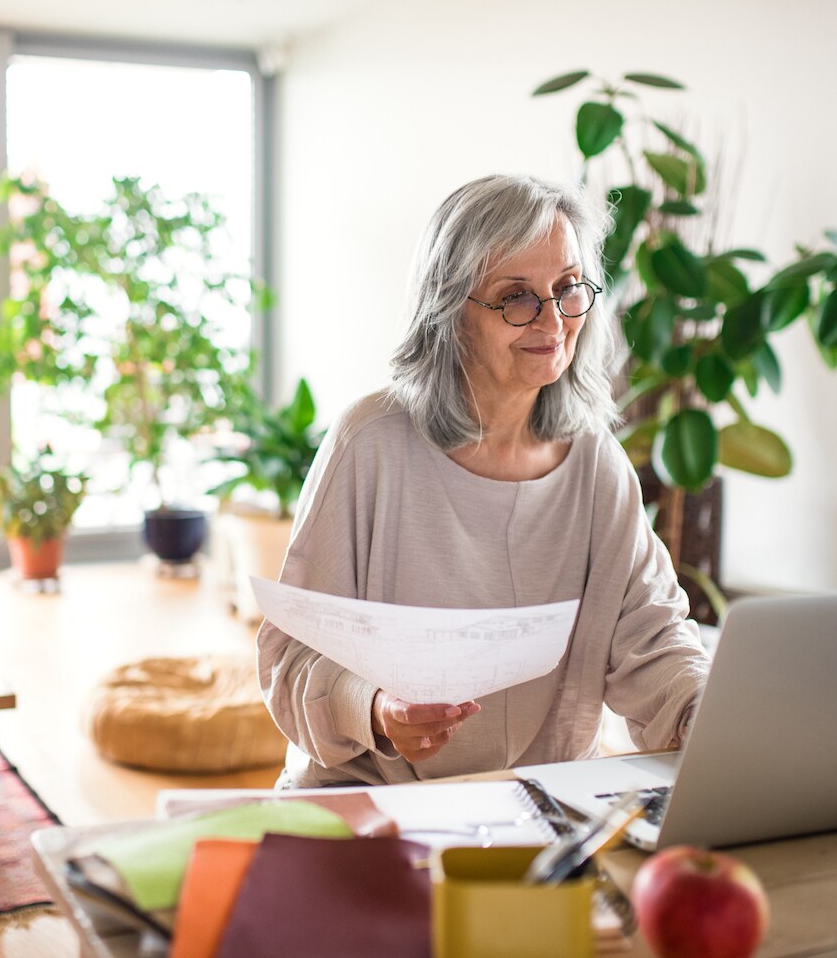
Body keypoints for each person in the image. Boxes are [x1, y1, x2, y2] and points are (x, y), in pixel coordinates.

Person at [257, 173, 709, 788]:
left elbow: (652, 638)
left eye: (568, 288)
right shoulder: (371, 441)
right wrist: (375, 708)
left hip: (544, 806)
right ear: (449, 312)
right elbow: (290, 659)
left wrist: (700, 710)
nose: (552, 320)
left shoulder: (596, 461)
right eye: (516, 296)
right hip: (371, 805)